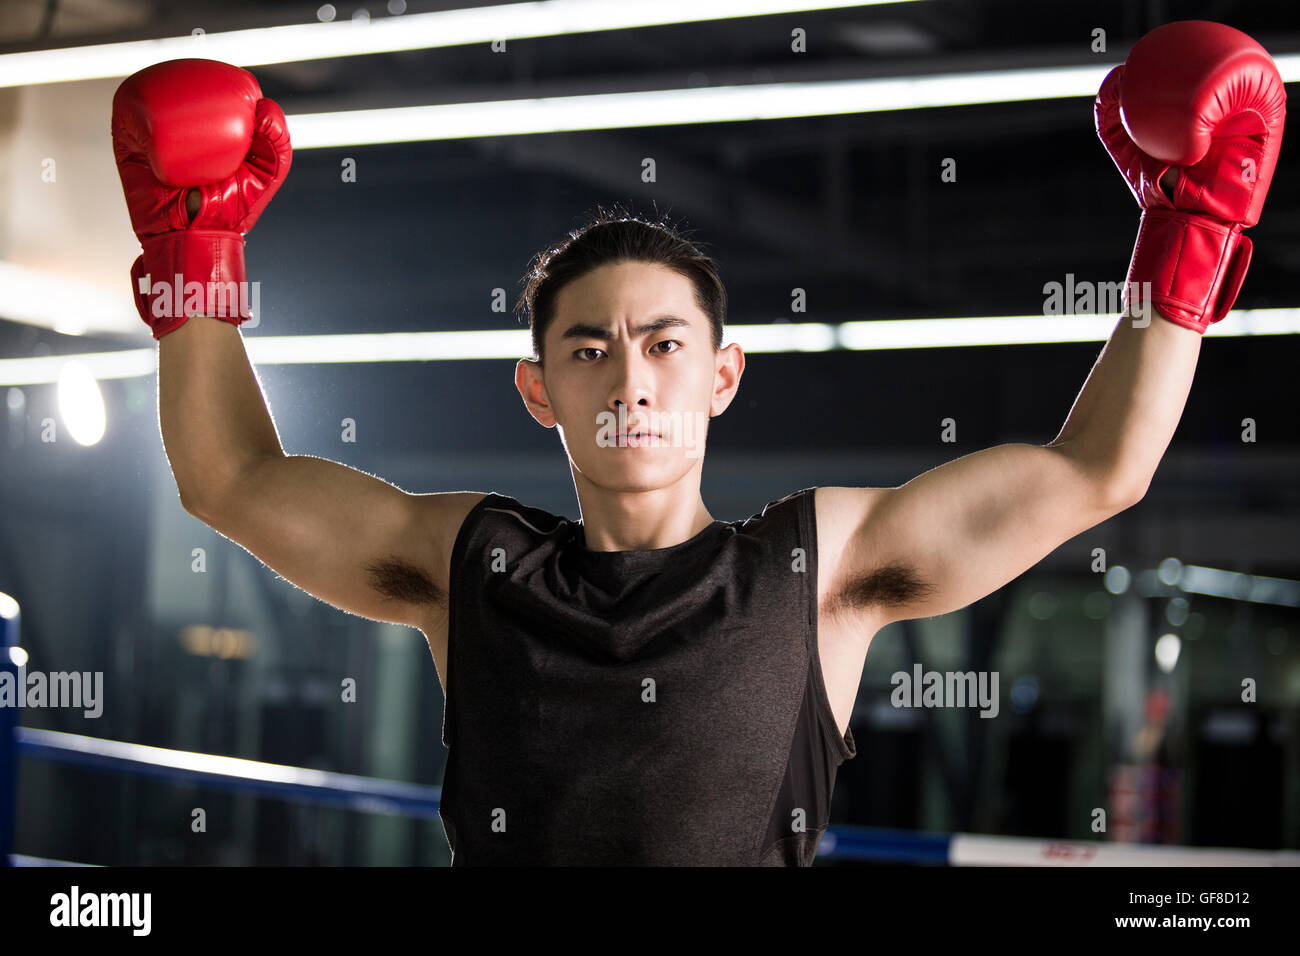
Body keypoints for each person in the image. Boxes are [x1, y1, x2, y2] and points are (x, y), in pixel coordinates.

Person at [111, 20, 1284, 865]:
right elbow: (231, 479)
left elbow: (1095, 470)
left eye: (666, 344)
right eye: (590, 349)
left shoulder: (815, 568)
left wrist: (1183, 238)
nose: (630, 374)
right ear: (538, 391)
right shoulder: (473, 563)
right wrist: (194, 256)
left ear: (722, 376)